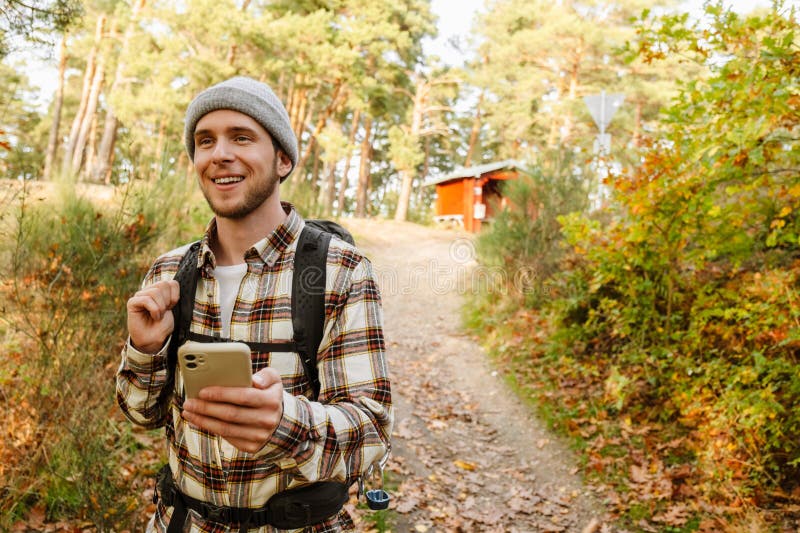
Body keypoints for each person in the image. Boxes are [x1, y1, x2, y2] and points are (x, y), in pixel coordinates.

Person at [116, 76, 392, 532]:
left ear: (283, 159)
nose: (219, 153)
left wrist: (286, 422)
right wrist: (145, 350)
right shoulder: (168, 273)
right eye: (205, 141)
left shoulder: (342, 270)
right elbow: (139, 412)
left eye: (241, 137)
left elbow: (372, 432)